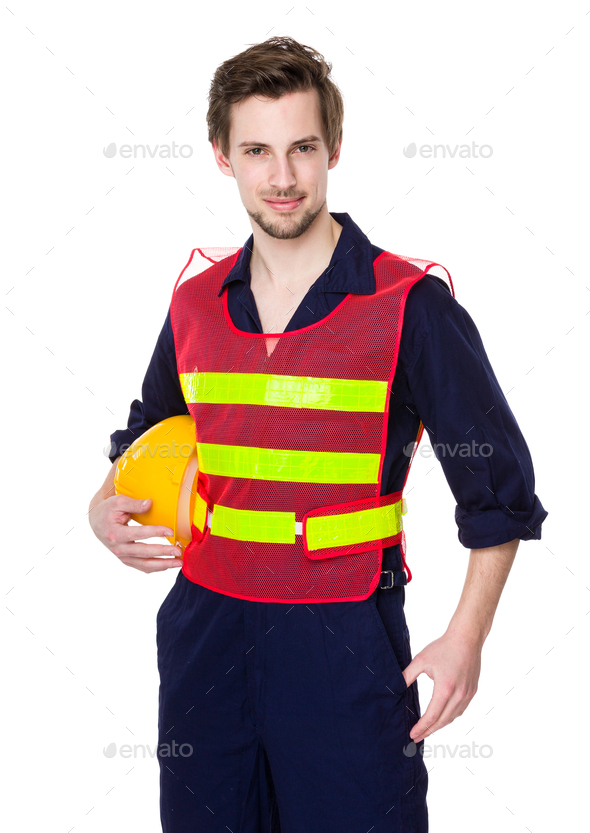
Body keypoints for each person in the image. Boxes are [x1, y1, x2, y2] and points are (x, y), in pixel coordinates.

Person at [88, 35, 548, 833]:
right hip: (206, 636)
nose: (283, 176)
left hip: (346, 641)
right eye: (258, 150)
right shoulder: (194, 303)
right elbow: (149, 430)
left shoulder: (410, 306)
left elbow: (499, 492)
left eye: (302, 148)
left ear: (334, 147)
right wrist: (102, 504)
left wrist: (464, 638)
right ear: (223, 156)